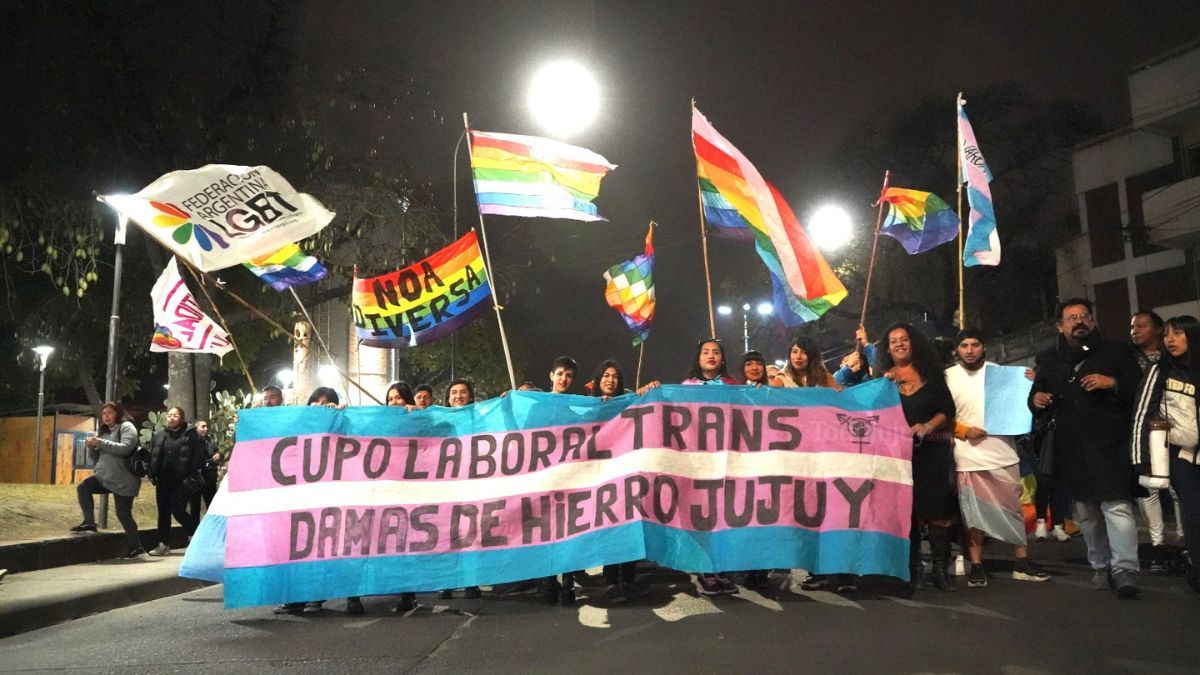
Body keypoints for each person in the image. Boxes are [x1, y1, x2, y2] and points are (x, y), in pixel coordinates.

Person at [1029, 298, 1144, 597]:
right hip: (1071, 446)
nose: (1079, 321)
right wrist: (1036, 400)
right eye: (1072, 318)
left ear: (1091, 321)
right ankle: (1100, 566)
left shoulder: (1118, 352)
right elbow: (1035, 396)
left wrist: (1112, 383)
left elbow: (1140, 389)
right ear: (1060, 326)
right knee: (1088, 511)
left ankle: (1125, 569)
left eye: (1084, 316)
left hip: (1111, 443)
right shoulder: (1048, 359)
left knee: (1117, 506)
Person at [945, 331, 1050, 588]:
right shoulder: (947, 377)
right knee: (973, 518)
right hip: (967, 456)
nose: (970, 350)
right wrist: (963, 431)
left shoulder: (1003, 375)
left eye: (975, 345)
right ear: (957, 350)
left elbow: (1028, 403)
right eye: (964, 345)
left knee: (1012, 511)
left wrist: (1032, 385)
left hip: (1003, 453)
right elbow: (940, 415)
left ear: (984, 348)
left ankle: (1022, 563)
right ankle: (977, 566)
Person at [877, 323, 958, 592]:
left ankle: (940, 570)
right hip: (898, 457)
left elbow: (947, 408)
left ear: (913, 344)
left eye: (904, 339)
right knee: (906, 514)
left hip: (933, 452)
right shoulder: (882, 381)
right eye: (893, 341)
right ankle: (914, 570)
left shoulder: (932, 375)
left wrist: (928, 426)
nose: (899, 344)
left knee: (938, 512)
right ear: (887, 349)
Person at [276, 387, 362, 615]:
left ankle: (351, 595)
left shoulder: (343, 422)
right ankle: (300, 596)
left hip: (337, 493)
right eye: (316, 401)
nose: (321, 405)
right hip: (305, 495)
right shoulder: (299, 424)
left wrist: (343, 413)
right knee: (304, 546)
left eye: (327, 401)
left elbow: (359, 438)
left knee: (338, 544)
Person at [1132, 315, 1200, 593]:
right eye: (1167, 334)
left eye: (1179, 333)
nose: (1170, 340)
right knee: (1194, 513)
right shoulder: (1160, 371)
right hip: (1181, 455)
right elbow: (1142, 414)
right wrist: (1141, 460)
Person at [589, 359, 652, 602]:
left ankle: (628, 579)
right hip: (600, 477)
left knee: (630, 526)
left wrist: (649, 390)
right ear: (598, 379)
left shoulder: (630, 401)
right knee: (607, 528)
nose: (610, 380)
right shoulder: (588, 405)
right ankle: (610, 580)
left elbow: (649, 407)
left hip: (627, 475)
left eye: (614, 376)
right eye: (605, 375)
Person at [681, 339, 739, 594]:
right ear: (698, 358)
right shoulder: (686, 387)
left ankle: (721, 569)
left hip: (728, 459)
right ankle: (705, 571)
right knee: (703, 517)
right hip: (698, 461)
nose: (711, 356)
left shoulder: (733, 386)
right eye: (706, 352)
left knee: (725, 514)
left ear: (723, 358)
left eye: (716, 352)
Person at [1129, 310, 1184, 574]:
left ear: (1157, 329)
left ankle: (1184, 540)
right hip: (1145, 430)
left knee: (1179, 488)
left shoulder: (1171, 357)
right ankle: (1158, 544)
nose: (1135, 331)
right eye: (1132, 327)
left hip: (1178, 430)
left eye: (1141, 326)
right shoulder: (1127, 358)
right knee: (1148, 489)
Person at [71, 401, 144, 558]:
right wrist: (92, 447)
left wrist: (102, 443)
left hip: (124, 480)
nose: (106, 416)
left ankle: (137, 547)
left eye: (110, 413)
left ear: (118, 413)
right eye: (104, 414)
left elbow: (126, 448)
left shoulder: (126, 427)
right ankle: (90, 522)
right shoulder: (104, 430)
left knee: (123, 514)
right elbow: (96, 457)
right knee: (84, 487)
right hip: (105, 477)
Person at [437, 378, 484, 601]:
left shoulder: (482, 418)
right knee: (446, 535)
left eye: (463, 392)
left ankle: (470, 582)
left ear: (471, 396)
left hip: (472, 486)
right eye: (453, 392)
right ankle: (446, 582)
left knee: (470, 536)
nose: (458, 396)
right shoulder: (437, 419)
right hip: (445, 488)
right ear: (447, 398)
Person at [146, 406, 206, 557]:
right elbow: (152, 453)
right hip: (163, 479)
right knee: (163, 512)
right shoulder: (160, 435)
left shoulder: (191, 435)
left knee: (178, 509)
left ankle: (194, 536)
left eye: (175, 415)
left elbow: (199, 456)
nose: (171, 418)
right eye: (169, 415)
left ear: (182, 418)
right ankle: (163, 544)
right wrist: (152, 471)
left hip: (182, 480)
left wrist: (190, 473)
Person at [186, 420, 221, 525]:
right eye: (203, 427)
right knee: (194, 508)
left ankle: (214, 529)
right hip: (195, 479)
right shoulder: (189, 442)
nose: (206, 429)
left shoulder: (209, 440)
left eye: (206, 427)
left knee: (212, 506)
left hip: (209, 479)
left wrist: (219, 454)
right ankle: (194, 532)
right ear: (196, 428)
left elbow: (216, 450)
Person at [772, 335, 839, 389]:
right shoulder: (782, 378)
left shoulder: (824, 376)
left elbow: (841, 396)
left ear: (812, 356)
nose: (798, 357)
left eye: (804, 353)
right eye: (794, 352)